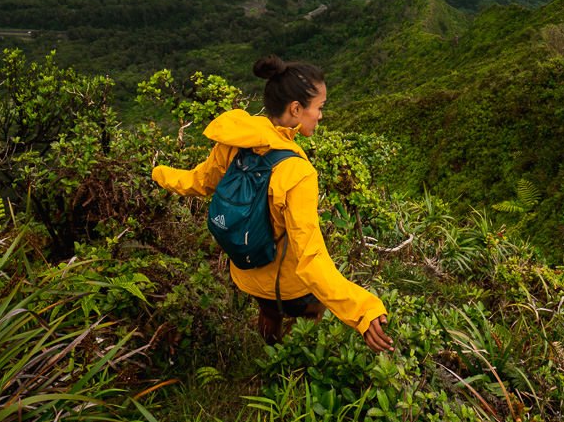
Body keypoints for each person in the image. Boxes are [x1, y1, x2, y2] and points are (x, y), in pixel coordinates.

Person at [152, 55, 393, 352]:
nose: (320, 116)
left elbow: (198, 182)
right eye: (319, 108)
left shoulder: (236, 138)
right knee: (312, 313)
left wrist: (158, 173)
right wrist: (362, 310)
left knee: (268, 312)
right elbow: (311, 258)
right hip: (288, 284)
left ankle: (269, 354)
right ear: (296, 109)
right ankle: (290, 366)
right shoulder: (296, 172)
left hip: (245, 271)